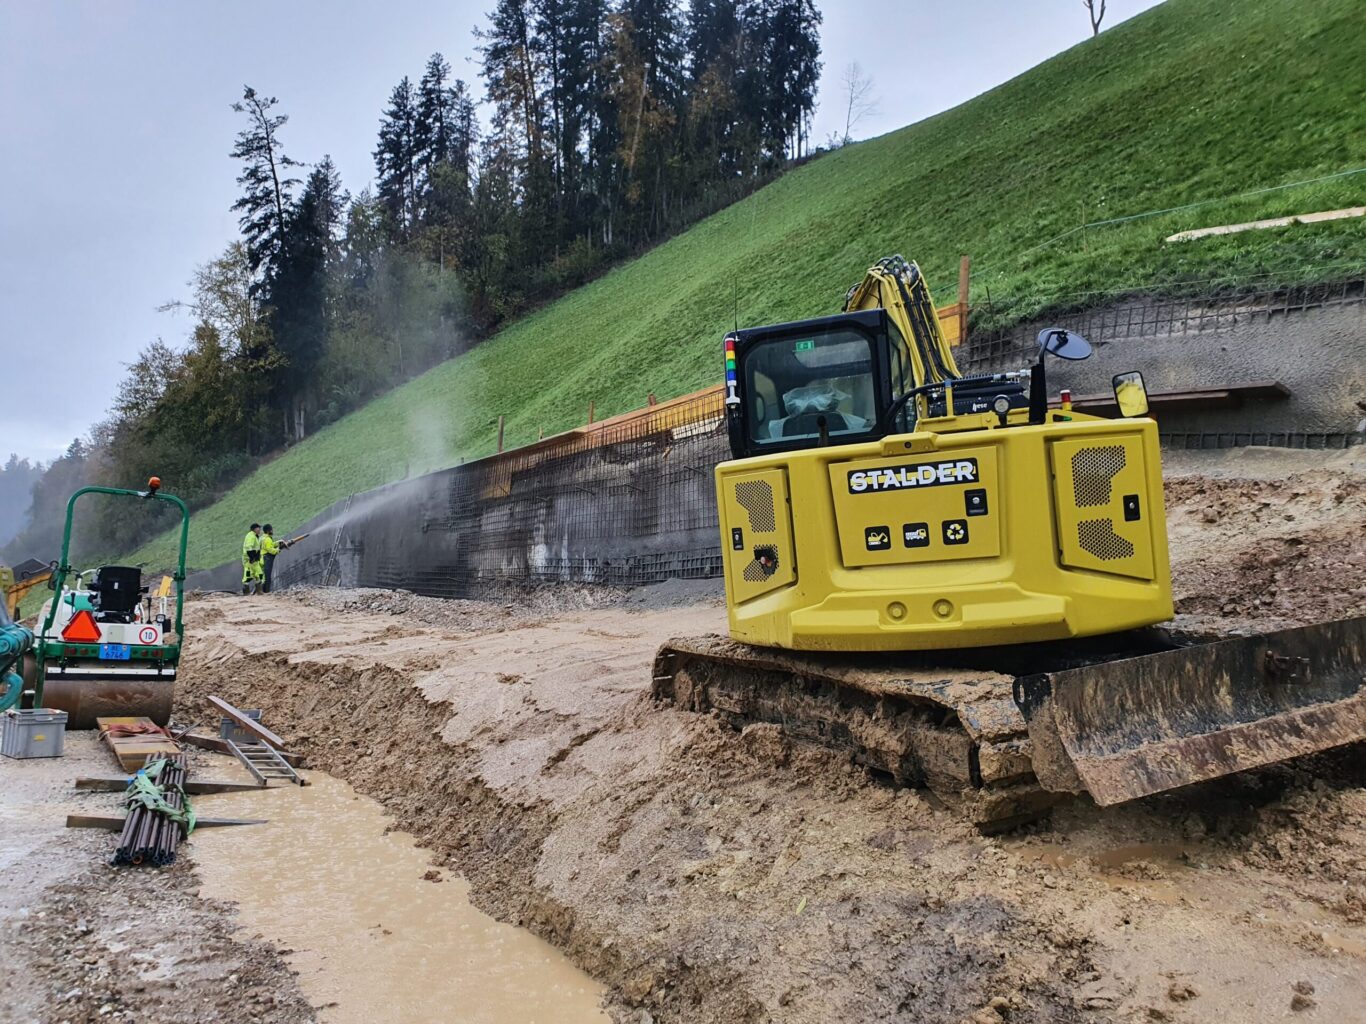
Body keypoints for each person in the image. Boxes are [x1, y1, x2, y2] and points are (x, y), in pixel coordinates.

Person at [260, 524, 293, 594]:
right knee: (267, 577)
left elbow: (271, 545)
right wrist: (278, 550)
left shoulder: (264, 538)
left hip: (263, 558)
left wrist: (278, 543)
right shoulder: (267, 539)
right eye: (271, 529)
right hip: (267, 559)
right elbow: (270, 549)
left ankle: (262, 591)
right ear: (269, 530)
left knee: (264, 577)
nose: (272, 531)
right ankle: (266, 592)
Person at [241, 523, 265, 595]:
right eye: (258, 528)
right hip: (249, 560)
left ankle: (259, 591)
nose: (260, 530)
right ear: (255, 529)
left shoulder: (254, 536)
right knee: (248, 574)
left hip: (254, 560)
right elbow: (249, 547)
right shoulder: (251, 536)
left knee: (259, 574)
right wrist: (252, 557)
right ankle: (247, 591)